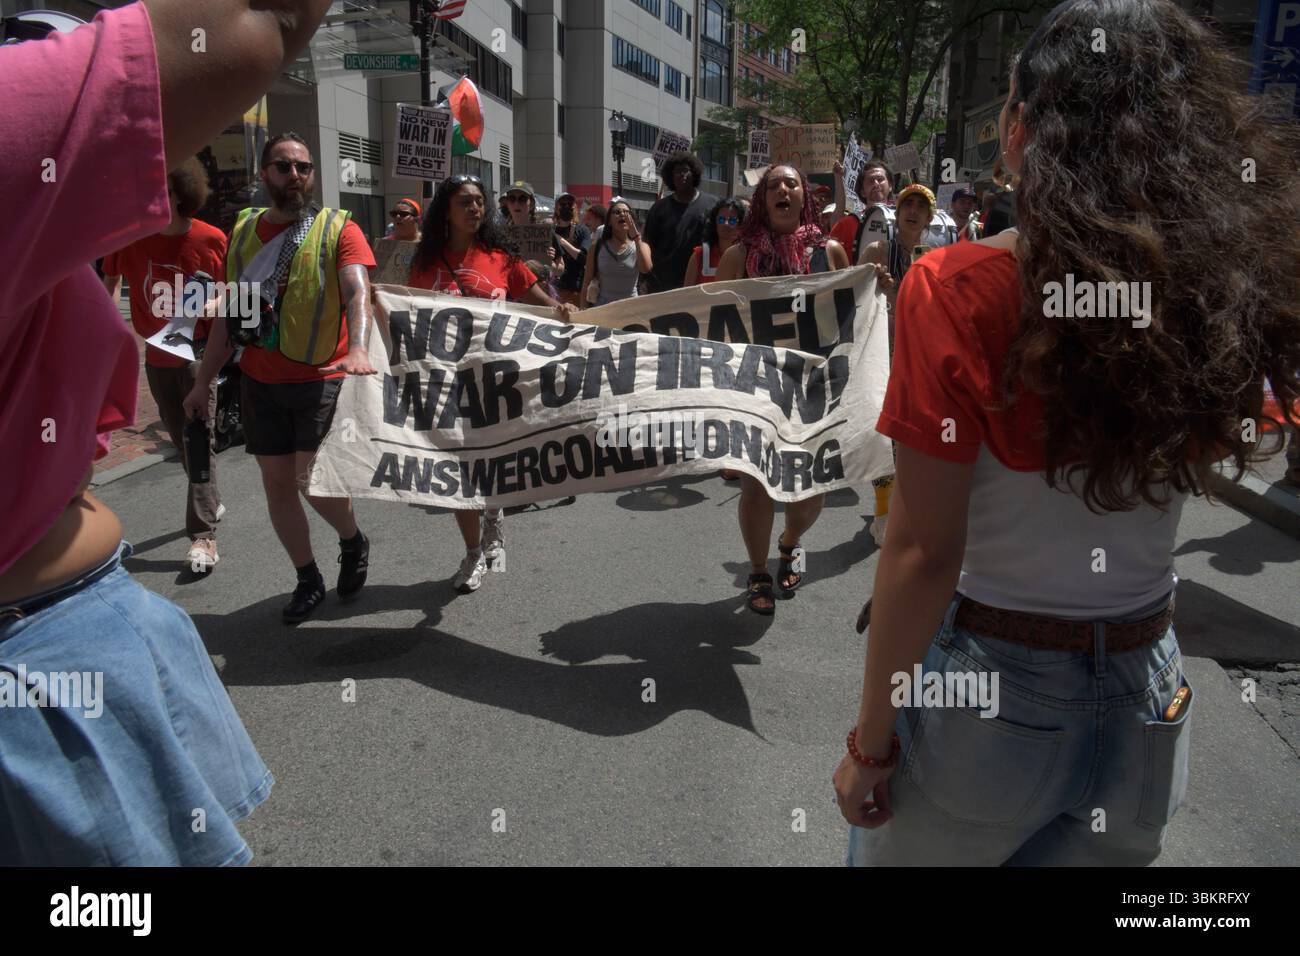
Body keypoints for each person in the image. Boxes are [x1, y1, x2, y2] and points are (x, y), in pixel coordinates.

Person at [835, 0, 1300, 866]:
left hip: (995, 698)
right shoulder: (1217, 294)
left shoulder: (956, 288)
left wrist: (870, 746)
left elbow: (923, 553)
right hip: (1149, 693)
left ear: (1019, 132)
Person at [0, 0, 335, 866]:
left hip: (79, 626)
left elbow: (226, 305)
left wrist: (207, 359)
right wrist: (198, 369)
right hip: (43, 662)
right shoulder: (105, 235)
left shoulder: (219, 238)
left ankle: (223, 534)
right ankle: (229, 534)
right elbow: (259, 22)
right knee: (211, 450)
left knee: (253, 466)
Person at [184, 132, 377, 625]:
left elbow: (358, 292)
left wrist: (357, 346)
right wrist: (202, 381)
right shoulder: (245, 231)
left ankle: (352, 540)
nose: (296, 176)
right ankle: (307, 576)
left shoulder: (340, 228)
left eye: (304, 168)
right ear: (263, 174)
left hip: (320, 375)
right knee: (276, 486)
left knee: (309, 479)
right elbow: (234, 312)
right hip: (259, 379)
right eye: (284, 167)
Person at [406, 174, 578, 593]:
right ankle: (473, 551)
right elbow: (402, 309)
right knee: (459, 468)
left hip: (495, 381)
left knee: (489, 461)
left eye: (479, 201)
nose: (474, 208)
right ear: (445, 208)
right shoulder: (423, 262)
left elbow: (532, 289)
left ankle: (494, 514)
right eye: (464, 201)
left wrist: (561, 310)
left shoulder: (499, 256)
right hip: (444, 382)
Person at [713, 164, 859, 615]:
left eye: (790, 184)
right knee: (757, 486)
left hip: (814, 389)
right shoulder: (738, 257)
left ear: (804, 198)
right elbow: (713, 321)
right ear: (762, 200)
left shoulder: (830, 252)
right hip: (757, 387)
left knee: (809, 488)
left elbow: (853, 311)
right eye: (773, 184)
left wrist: (879, 288)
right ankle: (758, 571)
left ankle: (791, 540)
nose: (781, 189)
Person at [101, 157, 229, 572]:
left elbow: (237, 293)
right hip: (156, 358)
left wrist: (212, 303)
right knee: (182, 443)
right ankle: (209, 496)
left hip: (198, 355)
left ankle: (204, 536)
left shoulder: (211, 240)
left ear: (181, 195)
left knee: (197, 438)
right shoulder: (131, 238)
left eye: (160, 190)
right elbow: (111, 279)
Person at [857, 183, 938, 546]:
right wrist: (876, 284)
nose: (914, 211)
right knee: (884, 437)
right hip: (880, 353)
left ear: (929, 218)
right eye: (908, 204)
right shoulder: (878, 250)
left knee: (907, 438)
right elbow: (852, 294)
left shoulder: (934, 256)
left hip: (915, 357)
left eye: (922, 206)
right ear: (897, 211)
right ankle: (882, 512)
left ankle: (898, 507)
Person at [642, 151, 714, 293]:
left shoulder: (712, 204)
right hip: (663, 286)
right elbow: (647, 244)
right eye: (677, 172)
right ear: (670, 177)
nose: (681, 175)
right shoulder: (658, 208)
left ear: (694, 173)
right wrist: (645, 279)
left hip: (701, 284)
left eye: (685, 170)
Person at [580, 199, 652, 308]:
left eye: (627, 212)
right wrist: (582, 311)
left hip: (632, 311)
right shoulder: (597, 247)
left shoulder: (641, 246)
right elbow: (587, 281)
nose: (622, 214)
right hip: (603, 309)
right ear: (609, 221)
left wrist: (637, 238)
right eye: (617, 212)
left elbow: (645, 269)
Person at [830, 158, 893, 262]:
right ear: (862, 191)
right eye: (870, 181)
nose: (876, 184)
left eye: (880, 179)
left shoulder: (902, 222)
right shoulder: (846, 224)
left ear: (890, 186)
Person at [684, 196, 745, 287]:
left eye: (732, 220)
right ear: (714, 222)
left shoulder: (747, 257)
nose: (726, 224)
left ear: (740, 225)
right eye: (721, 219)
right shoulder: (699, 256)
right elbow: (685, 295)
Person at [550, 192, 590, 307]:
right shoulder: (549, 231)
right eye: (563, 204)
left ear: (574, 207)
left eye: (570, 204)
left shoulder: (582, 230)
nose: (567, 207)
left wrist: (562, 242)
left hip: (575, 289)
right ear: (557, 209)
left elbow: (584, 258)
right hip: (553, 289)